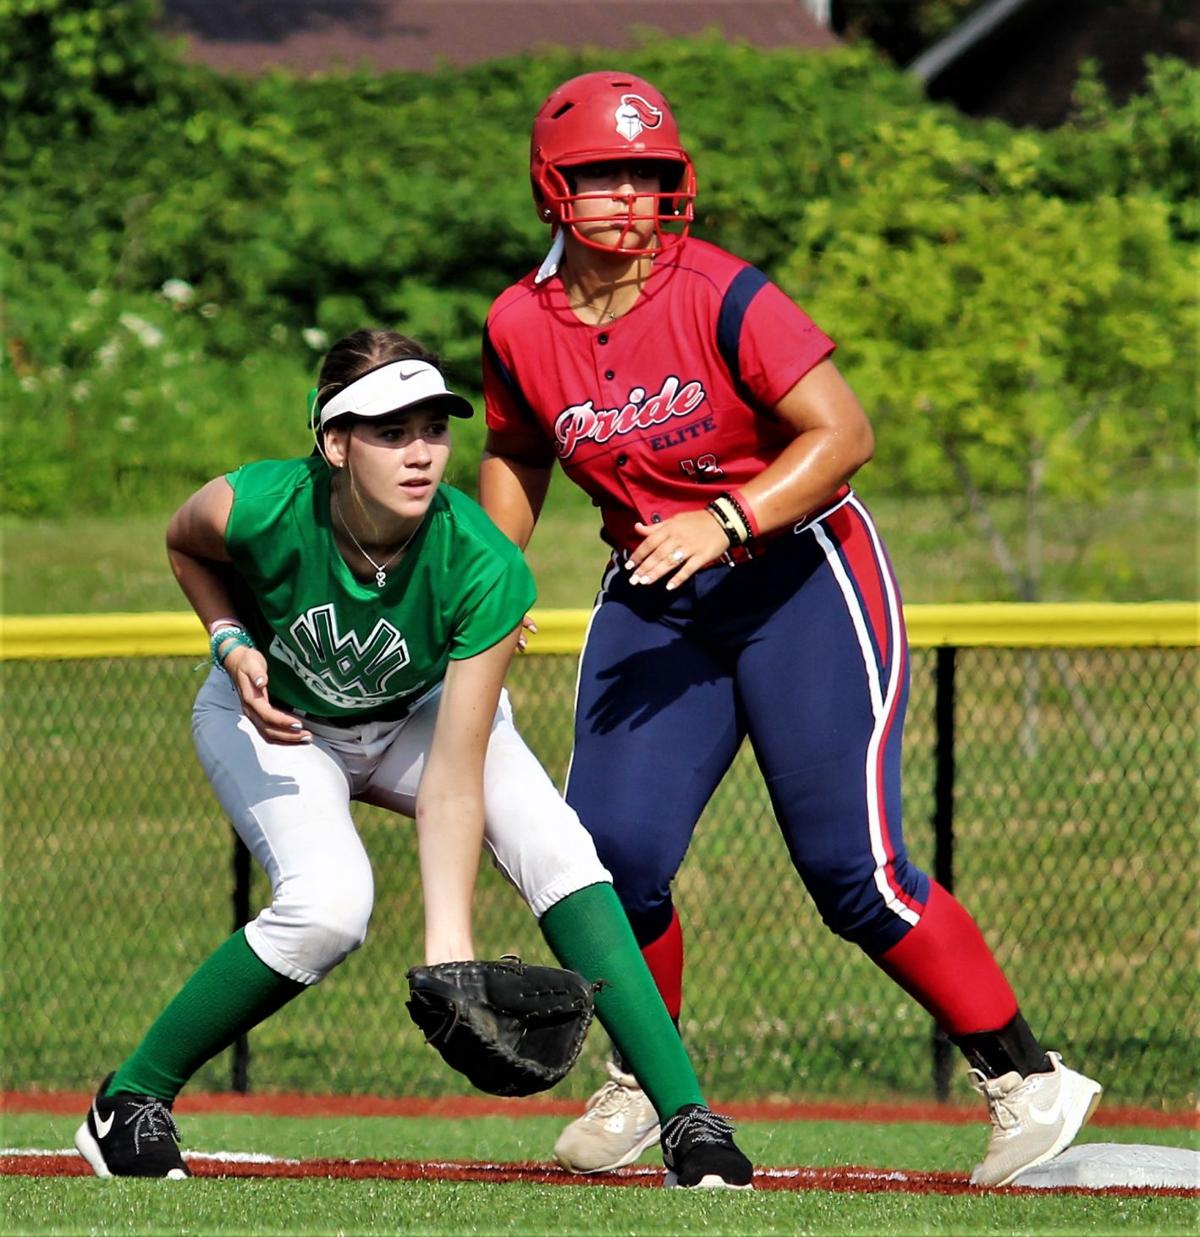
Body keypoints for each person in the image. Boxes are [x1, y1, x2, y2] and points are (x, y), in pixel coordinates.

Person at [478, 71, 1103, 1188]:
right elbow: (520, 450)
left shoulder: (719, 289)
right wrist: (490, 581)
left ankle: (1028, 1077)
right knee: (607, 860)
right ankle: (649, 1081)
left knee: (849, 869)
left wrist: (729, 517)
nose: (628, 196)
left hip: (798, 577)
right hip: (657, 588)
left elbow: (841, 430)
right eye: (601, 175)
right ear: (549, 187)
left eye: (648, 174)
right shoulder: (521, 321)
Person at [73, 328, 752, 1189]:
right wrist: (231, 641)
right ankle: (128, 1100)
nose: (421, 451)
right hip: (282, 721)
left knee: (561, 850)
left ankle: (687, 1116)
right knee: (327, 908)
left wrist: (450, 949)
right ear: (333, 440)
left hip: (414, 719)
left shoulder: (482, 563)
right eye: (390, 431)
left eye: (434, 427)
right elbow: (185, 545)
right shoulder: (257, 504)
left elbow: (456, 775)